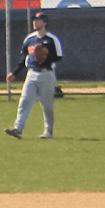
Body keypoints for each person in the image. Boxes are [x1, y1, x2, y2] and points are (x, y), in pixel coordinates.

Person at [6, 10, 64, 139]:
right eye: (34, 20)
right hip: (31, 74)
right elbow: (24, 58)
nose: (34, 22)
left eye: (37, 20)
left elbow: (59, 57)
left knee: (47, 105)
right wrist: (14, 73)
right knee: (25, 101)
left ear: (44, 23)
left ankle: (48, 131)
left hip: (47, 74)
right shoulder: (29, 39)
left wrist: (45, 56)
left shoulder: (52, 39)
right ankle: (18, 129)